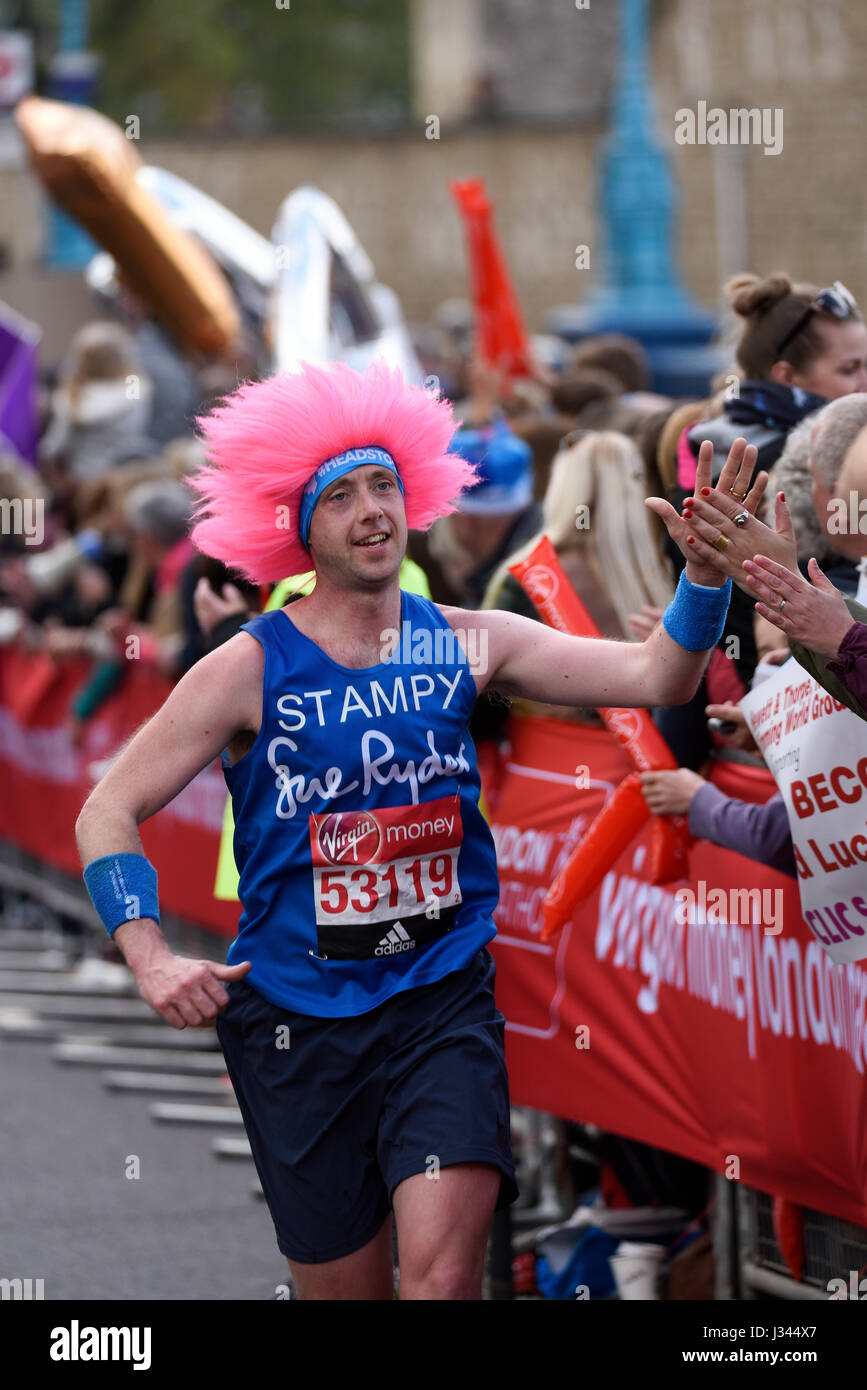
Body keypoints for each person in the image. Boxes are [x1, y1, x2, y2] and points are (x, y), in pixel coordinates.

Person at [75, 359, 735, 1301]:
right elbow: (107, 809)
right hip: (297, 1021)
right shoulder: (247, 667)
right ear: (298, 527)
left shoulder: (472, 638)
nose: (371, 509)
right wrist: (149, 957)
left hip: (440, 1004)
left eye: (383, 483)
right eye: (339, 495)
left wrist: (702, 583)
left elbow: (655, 678)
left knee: (438, 1281)